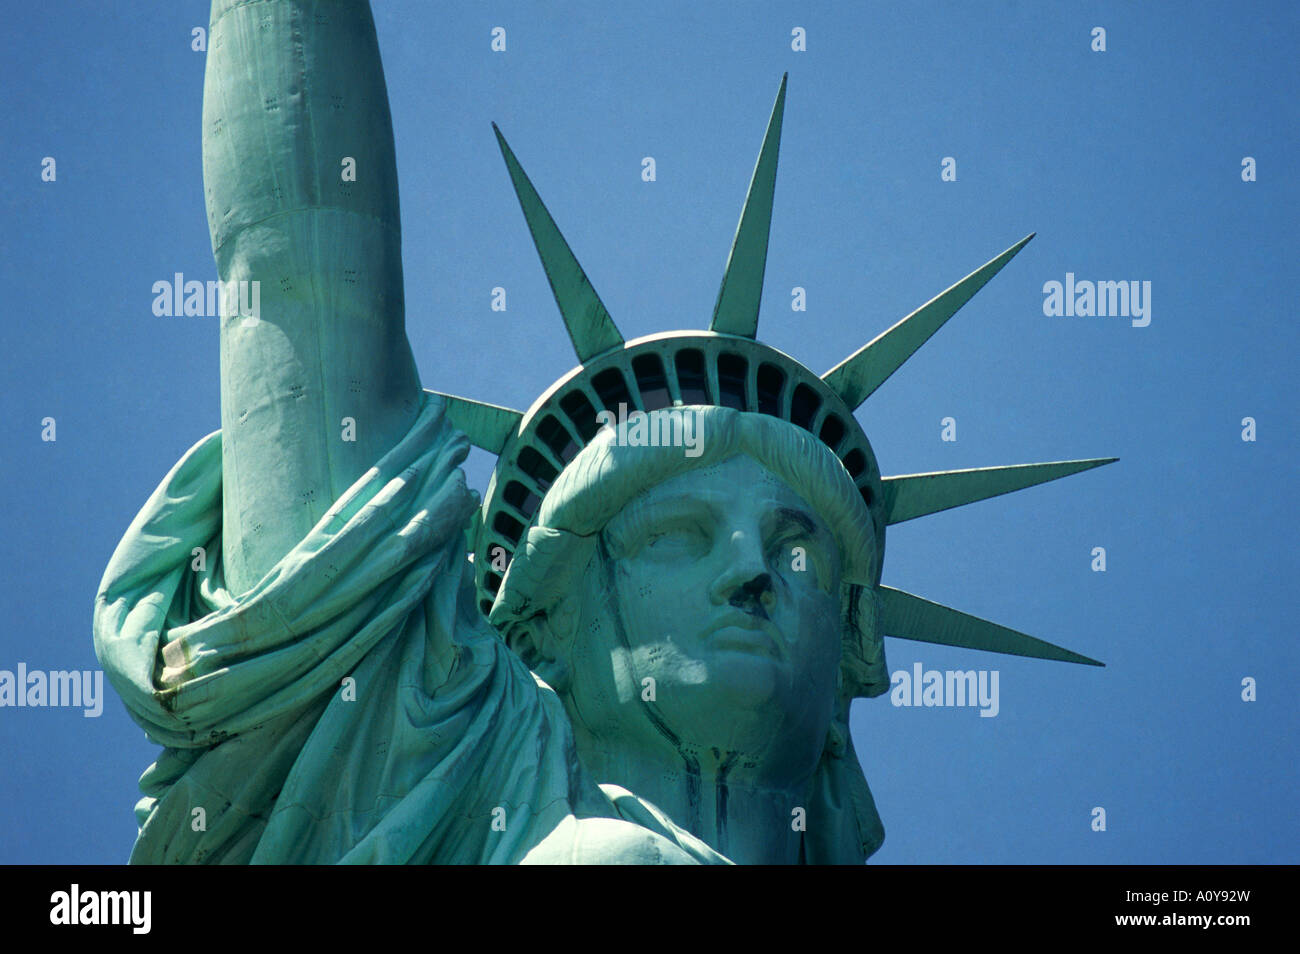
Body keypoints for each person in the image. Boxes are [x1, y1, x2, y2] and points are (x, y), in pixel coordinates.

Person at [94, 0, 1106, 865]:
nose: (752, 574)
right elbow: (304, 266)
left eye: (797, 551)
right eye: (676, 534)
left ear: (852, 649)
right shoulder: (409, 785)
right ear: (540, 625)